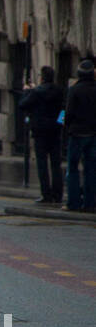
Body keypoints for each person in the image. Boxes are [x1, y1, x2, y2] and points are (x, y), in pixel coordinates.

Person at [19, 65, 64, 205]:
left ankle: (46, 194)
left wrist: (27, 91)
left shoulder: (36, 92)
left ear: (42, 77)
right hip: (55, 130)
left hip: (40, 131)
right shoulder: (59, 91)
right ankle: (58, 194)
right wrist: (60, 123)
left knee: (42, 164)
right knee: (56, 164)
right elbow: (64, 109)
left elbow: (22, 105)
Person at [64, 57, 96, 212]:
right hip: (93, 134)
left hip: (77, 134)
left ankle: (73, 202)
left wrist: (67, 127)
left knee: (73, 169)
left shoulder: (74, 90)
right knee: (91, 169)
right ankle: (90, 203)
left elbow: (68, 113)